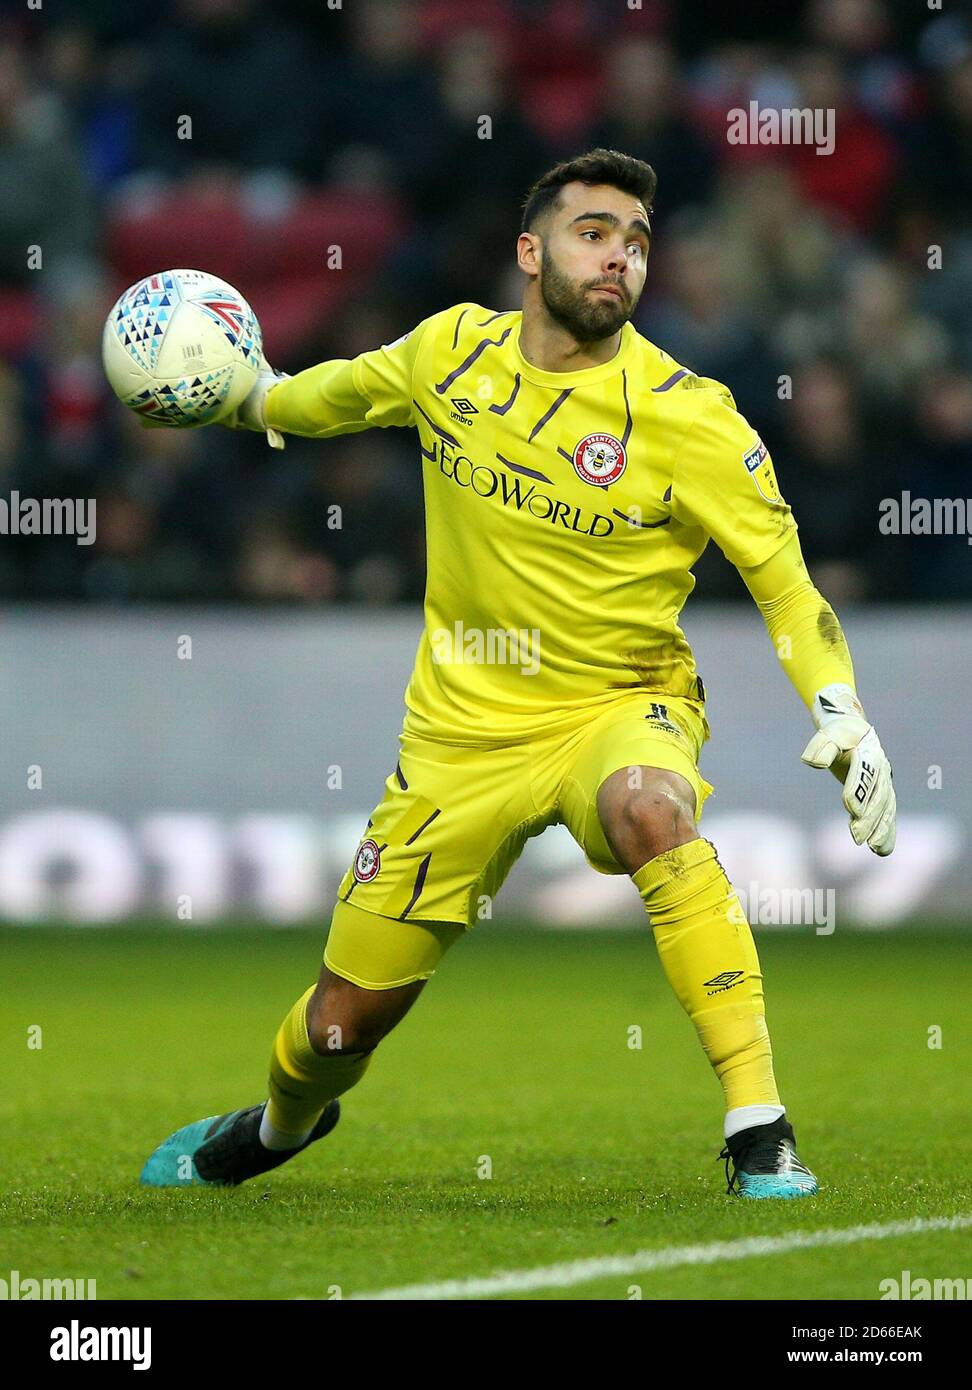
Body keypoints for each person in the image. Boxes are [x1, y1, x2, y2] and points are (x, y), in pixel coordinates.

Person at [141, 149, 896, 1199]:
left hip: (620, 704)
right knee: (335, 1023)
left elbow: (786, 582)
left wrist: (842, 710)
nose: (620, 259)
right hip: (459, 741)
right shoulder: (450, 353)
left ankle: (758, 1125)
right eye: (595, 234)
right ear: (531, 251)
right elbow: (328, 398)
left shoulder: (692, 416)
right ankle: (278, 1125)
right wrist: (235, 400)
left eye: (636, 242)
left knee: (651, 813)